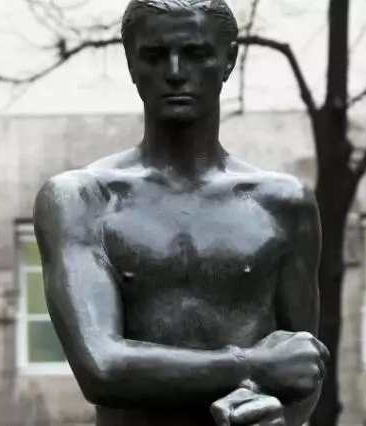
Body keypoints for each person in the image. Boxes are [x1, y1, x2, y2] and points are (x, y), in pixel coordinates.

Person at [31, 1, 330, 425]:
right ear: (132, 64)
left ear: (229, 59)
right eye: (155, 55)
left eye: (195, 53)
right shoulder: (83, 200)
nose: (174, 71)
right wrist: (252, 366)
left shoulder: (282, 204)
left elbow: (301, 371)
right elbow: (101, 367)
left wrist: (278, 415)